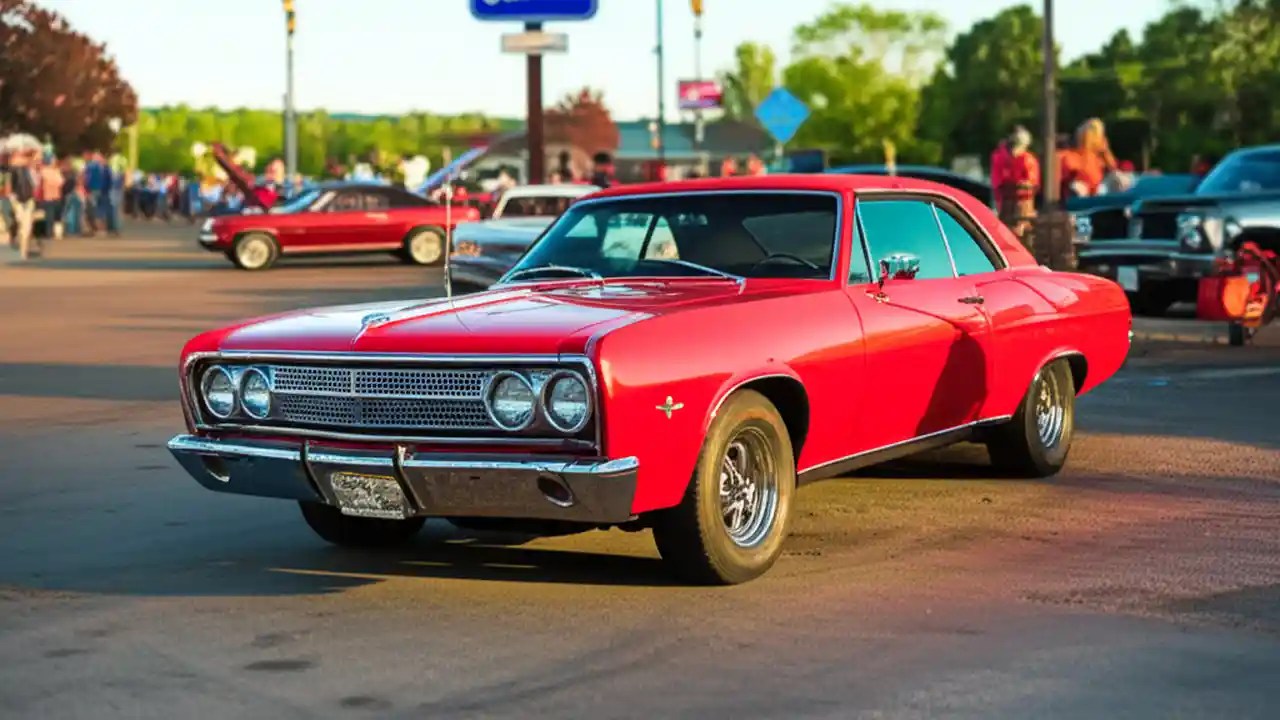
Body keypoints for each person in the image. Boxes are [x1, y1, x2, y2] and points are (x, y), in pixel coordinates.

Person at [993, 126, 1040, 236]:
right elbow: (998, 182)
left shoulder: (1028, 159)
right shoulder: (999, 158)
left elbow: (1032, 183)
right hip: (1006, 205)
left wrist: (1020, 186)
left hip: (1022, 205)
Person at [8, 148, 39, 258]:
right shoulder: (12, 170)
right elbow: (9, 185)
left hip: (28, 200)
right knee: (19, 223)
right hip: (17, 200)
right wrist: (12, 197)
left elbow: (36, 184)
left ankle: (23, 250)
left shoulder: (30, 170)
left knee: (26, 226)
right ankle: (17, 243)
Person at [37, 153, 64, 240]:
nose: (55, 161)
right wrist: (56, 178)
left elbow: (61, 181)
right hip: (48, 197)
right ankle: (49, 234)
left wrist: (56, 176)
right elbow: (57, 182)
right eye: (53, 159)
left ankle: (56, 233)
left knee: (57, 216)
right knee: (50, 217)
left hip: (57, 196)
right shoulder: (44, 171)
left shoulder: (56, 170)